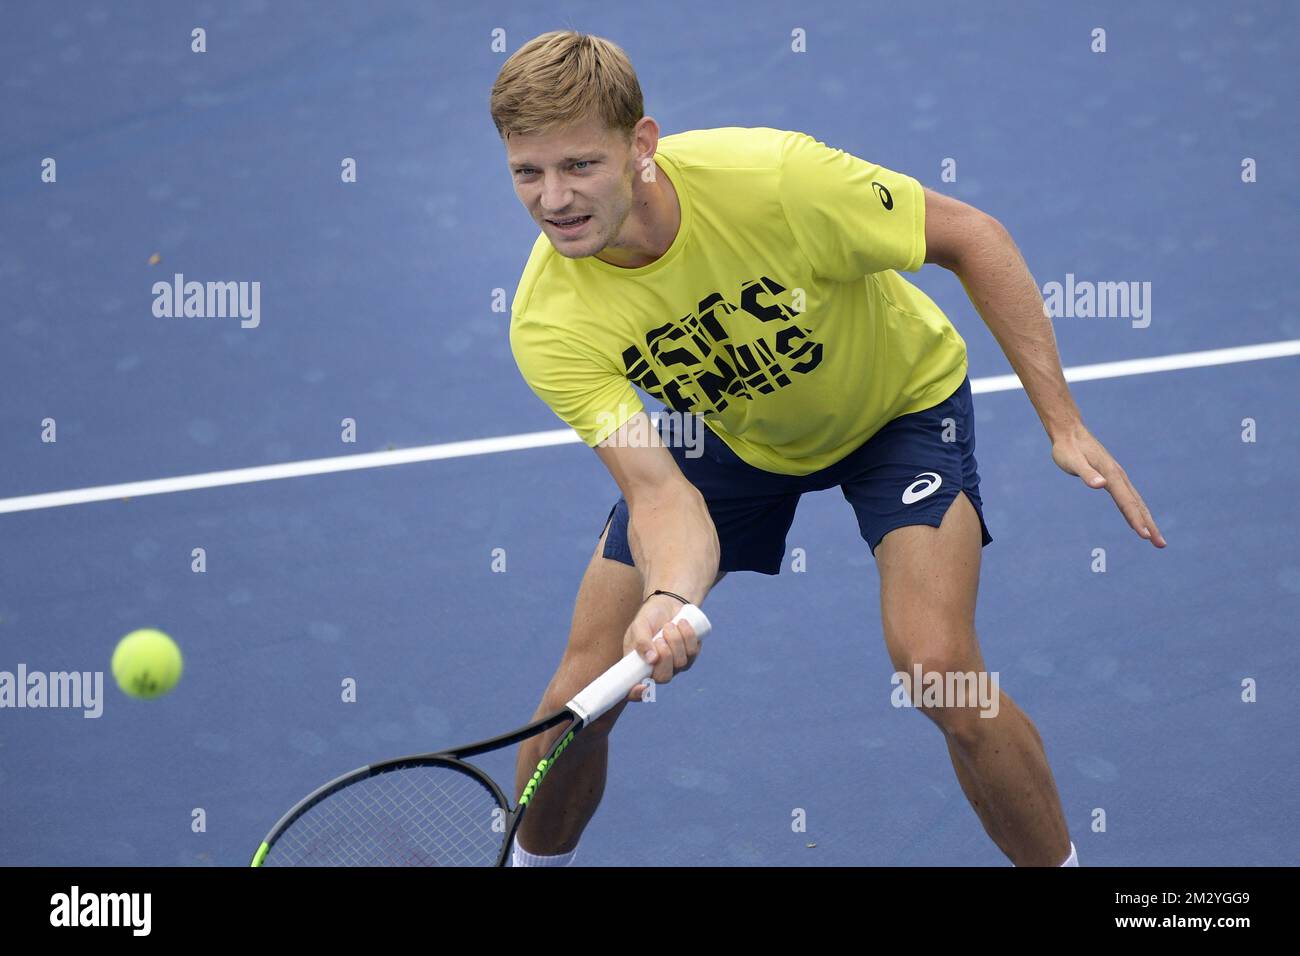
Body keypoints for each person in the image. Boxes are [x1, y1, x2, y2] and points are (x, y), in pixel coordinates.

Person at [491, 30, 1165, 868]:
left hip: (898, 408)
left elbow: (972, 236)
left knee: (937, 668)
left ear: (641, 144)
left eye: (579, 166)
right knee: (578, 699)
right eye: (529, 172)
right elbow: (659, 494)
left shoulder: (775, 183)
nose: (554, 199)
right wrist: (670, 595)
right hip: (731, 434)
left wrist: (1062, 422)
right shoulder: (548, 320)